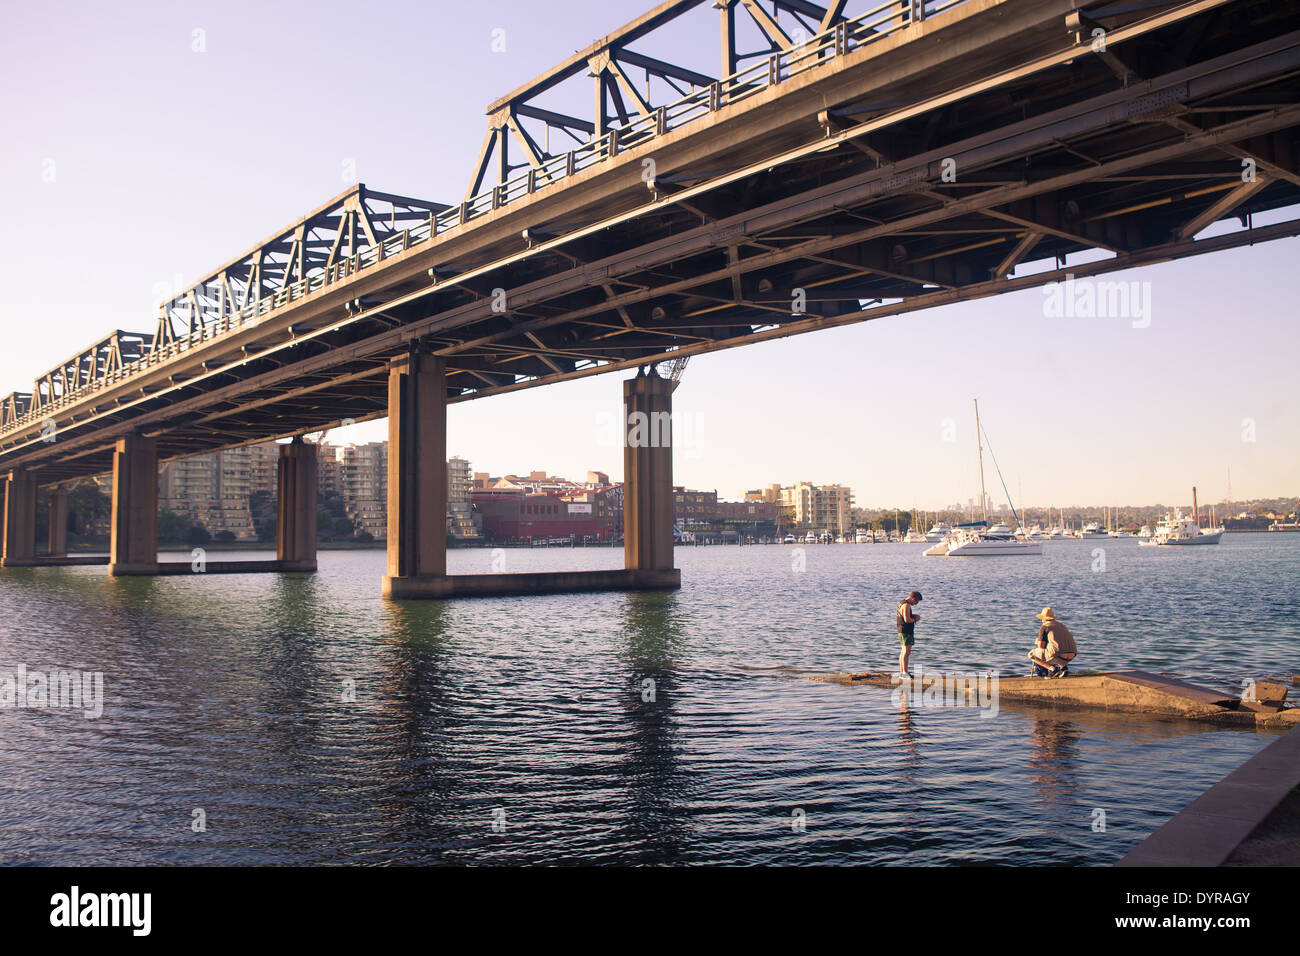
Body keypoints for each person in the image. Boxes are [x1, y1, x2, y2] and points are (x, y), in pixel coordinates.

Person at [1032, 606, 1077, 677]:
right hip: (1072, 654)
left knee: (1032, 654)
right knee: (1056, 650)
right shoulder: (1062, 625)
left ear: (1043, 618)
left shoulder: (1045, 627)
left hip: (1058, 656)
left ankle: (1052, 669)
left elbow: (1041, 646)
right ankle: (1063, 668)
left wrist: (1038, 642)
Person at [896, 591, 922, 677]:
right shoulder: (906, 605)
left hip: (901, 630)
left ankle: (902, 671)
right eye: (917, 601)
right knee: (906, 652)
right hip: (906, 631)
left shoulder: (902, 602)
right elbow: (907, 620)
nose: (916, 604)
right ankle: (904, 673)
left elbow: (903, 616)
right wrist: (916, 619)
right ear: (913, 598)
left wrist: (913, 615)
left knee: (903, 651)